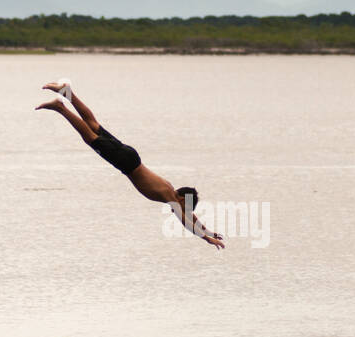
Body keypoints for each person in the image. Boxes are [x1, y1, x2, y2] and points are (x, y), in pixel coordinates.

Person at [36, 82, 225, 248]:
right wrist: (207, 239)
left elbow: (190, 218)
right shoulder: (169, 196)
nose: (185, 210)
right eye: (186, 206)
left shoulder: (169, 188)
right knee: (90, 136)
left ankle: (67, 92)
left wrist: (208, 231)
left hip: (132, 157)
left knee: (94, 125)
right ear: (182, 199)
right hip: (126, 163)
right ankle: (61, 107)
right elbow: (186, 222)